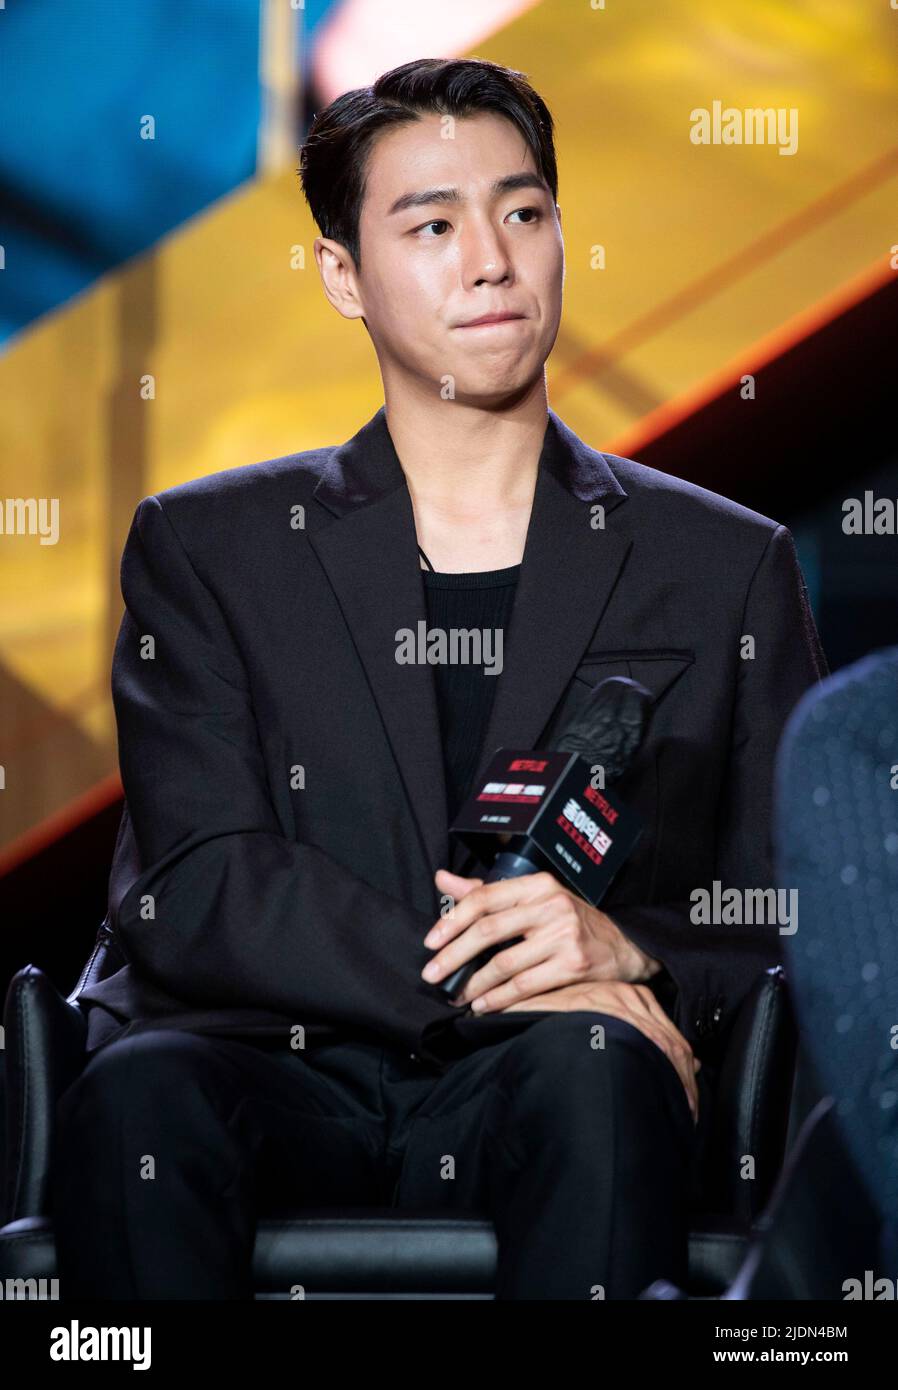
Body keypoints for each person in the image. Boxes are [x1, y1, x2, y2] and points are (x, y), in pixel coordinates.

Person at [51, 56, 828, 1300]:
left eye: (523, 213)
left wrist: (624, 948)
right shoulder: (211, 549)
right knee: (140, 1095)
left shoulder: (722, 563)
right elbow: (197, 883)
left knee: (594, 1069)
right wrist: (497, 973)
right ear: (342, 275)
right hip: (269, 1067)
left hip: (563, 1085)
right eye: (431, 224)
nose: (490, 260)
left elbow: (795, 915)